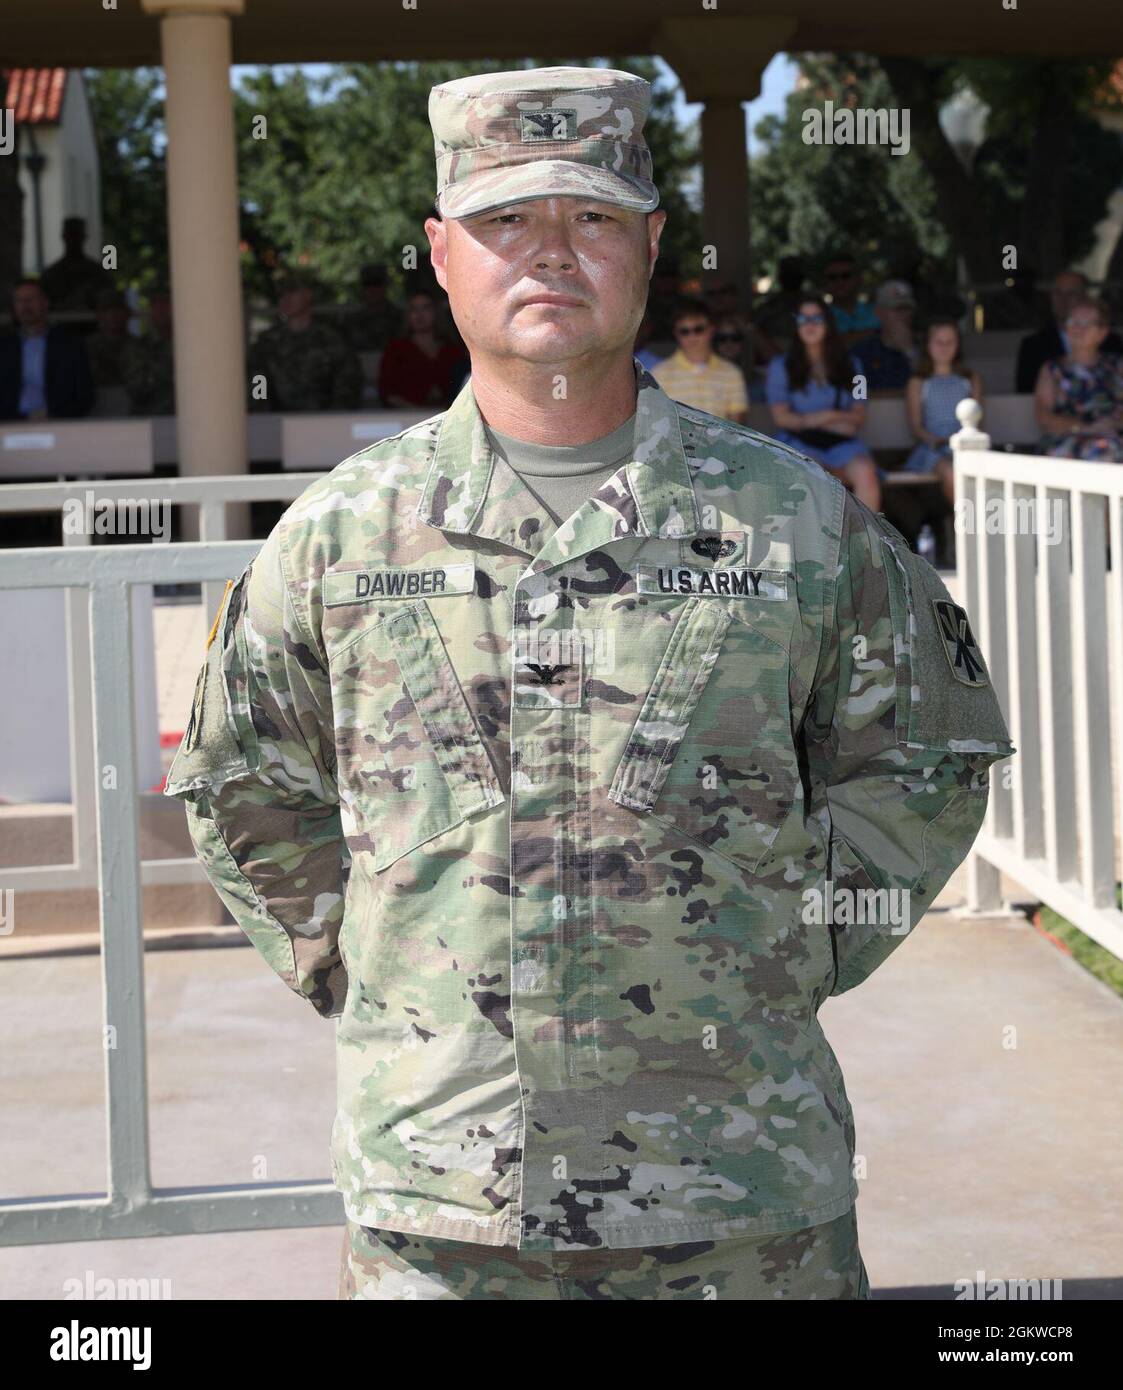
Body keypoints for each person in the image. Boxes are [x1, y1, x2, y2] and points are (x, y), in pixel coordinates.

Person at [164, 65, 1014, 1303]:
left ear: (652, 246)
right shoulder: (343, 536)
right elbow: (245, 783)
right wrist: (378, 976)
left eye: (594, 218)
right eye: (506, 220)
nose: (549, 253)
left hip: (738, 1198)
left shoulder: (793, 522)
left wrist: (781, 945)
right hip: (444, 1213)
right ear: (441, 253)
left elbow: (925, 755)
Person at [765, 294, 881, 510]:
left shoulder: (855, 365)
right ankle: (818, 543)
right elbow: (782, 418)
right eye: (803, 319)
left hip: (843, 445)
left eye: (817, 319)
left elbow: (859, 415)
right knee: (810, 472)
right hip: (799, 443)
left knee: (866, 472)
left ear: (828, 324)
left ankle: (867, 542)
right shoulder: (779, 366)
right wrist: (827, 418)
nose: (810, 325)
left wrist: (819, 418)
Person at [247, 272, 362, 412]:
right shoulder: (266, 343)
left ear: (308, 295)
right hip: (278, 423)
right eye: (281, 294)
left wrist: (334, 420)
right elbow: (258, 382)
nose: (285, 299)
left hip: (325, 423)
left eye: (292, 292)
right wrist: (263, 416)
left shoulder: (332, 340)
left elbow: (348, 386)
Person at [1034, 295, 1123, 461]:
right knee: (1104, 451)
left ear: (1102, 332)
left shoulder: (1118, 366)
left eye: (1085, 324)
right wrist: (1088, 428)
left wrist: (1113, 425)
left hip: (1114, 435)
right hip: (1068, 440)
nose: (1077, 329)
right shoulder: (1052, 370)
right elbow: (1044, 418)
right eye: (1073, 322)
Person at [904, 318, 983, 504]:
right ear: (928, 345)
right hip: (933, 449)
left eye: (950, 342)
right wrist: (937, 441)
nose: (944, 347)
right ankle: (968, 526)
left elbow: (977, 420)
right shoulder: (919, 382)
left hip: (966, 444)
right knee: (951, 473)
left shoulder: (970, 379)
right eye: (939, 342)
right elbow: (916, 427)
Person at [1016, 269, 1123, 394]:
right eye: (1058, 293)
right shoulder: (1033, 346)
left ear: (1085, 297)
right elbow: (1026, 392)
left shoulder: (1111, 341)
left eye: (1071, 293)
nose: (1063, 299)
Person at [0, 278, 93, 421]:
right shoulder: (4, 346)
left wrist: (55, 416)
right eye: (19, 301)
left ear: (45, 303)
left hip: (58, 423)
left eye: (31, 299)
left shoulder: (69, 345)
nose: (25, 305)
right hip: (8, 425)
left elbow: (84, 394)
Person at [650, 299, 749, 424]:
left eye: (698, 329)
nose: (692, 336)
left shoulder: (732, 373)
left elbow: (737, 429)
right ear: (675, 333)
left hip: (719, 443)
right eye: (684, 331)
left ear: (712, 329)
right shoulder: (659, 373)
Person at [378, 286, 467, 410]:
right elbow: (388, 393)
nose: (419, 314)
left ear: (436, 312)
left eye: (426, 308)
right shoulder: (396, 349)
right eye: (413, 309)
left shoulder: (452, 350)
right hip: (407, 418)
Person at [38, 216, 112, 315]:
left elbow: (108, 302)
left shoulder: (98, 273)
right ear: (64, 237)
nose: (73, 240)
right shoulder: (50, 274)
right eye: (70, 235)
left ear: (83, 237)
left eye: (76, 235)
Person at [852, 281, 918, 392]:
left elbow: (928, 389)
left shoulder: (930, 346)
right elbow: (858, 395)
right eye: (896, 309)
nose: (902, 315)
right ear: (879, 312)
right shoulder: (862, 353)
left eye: (906, 308)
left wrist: (910, 352)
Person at [122, 286, 176, 416]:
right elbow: (137, 390)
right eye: (155, 304)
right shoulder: (137, 347)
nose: (161, 310)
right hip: (150, 422)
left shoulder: (195, 345)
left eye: (166, 303)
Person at [823, 252, 879, 347]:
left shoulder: (878, 312)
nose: (839, 282)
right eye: (832, 277)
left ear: (859, 279)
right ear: (825, 282)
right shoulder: (818, 316)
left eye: (846, 276)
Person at [85, 286, 134, 389]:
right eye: (106, 310)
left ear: (127, 313)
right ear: (98, 315)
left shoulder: (140, 347)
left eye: (118, 309)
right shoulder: (86, 348)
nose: (113, 315)